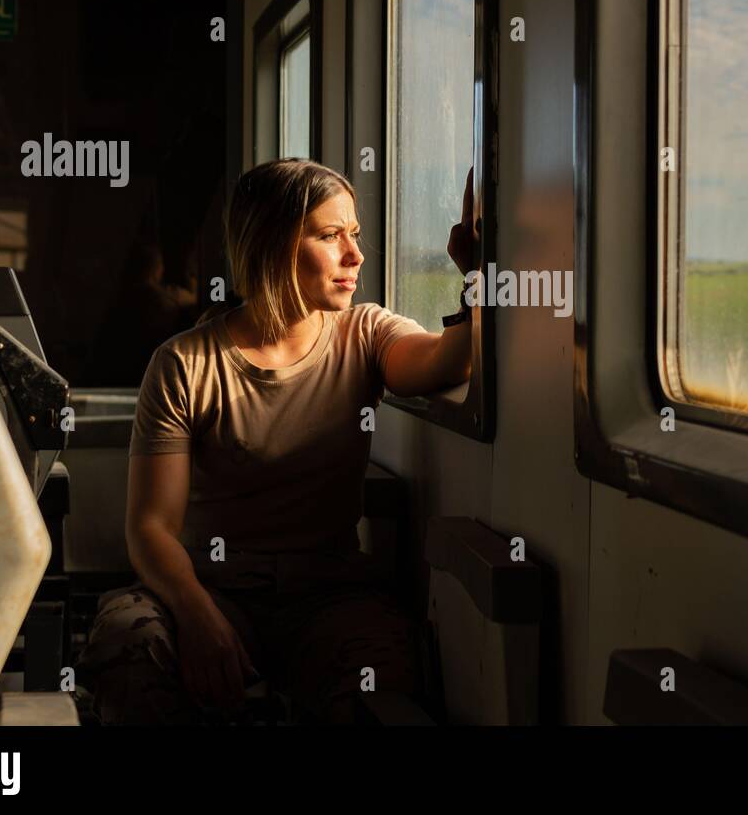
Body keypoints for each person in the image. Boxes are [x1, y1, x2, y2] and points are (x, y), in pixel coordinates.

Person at [74, 158, 476, 724]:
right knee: (125, 644)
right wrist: (198, 616)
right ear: (275, 244)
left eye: (354, 235)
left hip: (329, 597)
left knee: (382, 689)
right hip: (211, 588)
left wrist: (476, 273)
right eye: (330, 236)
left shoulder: (364, 334)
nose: (355, 255)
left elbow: (447, 361)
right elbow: (150, 528)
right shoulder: (184, 364)